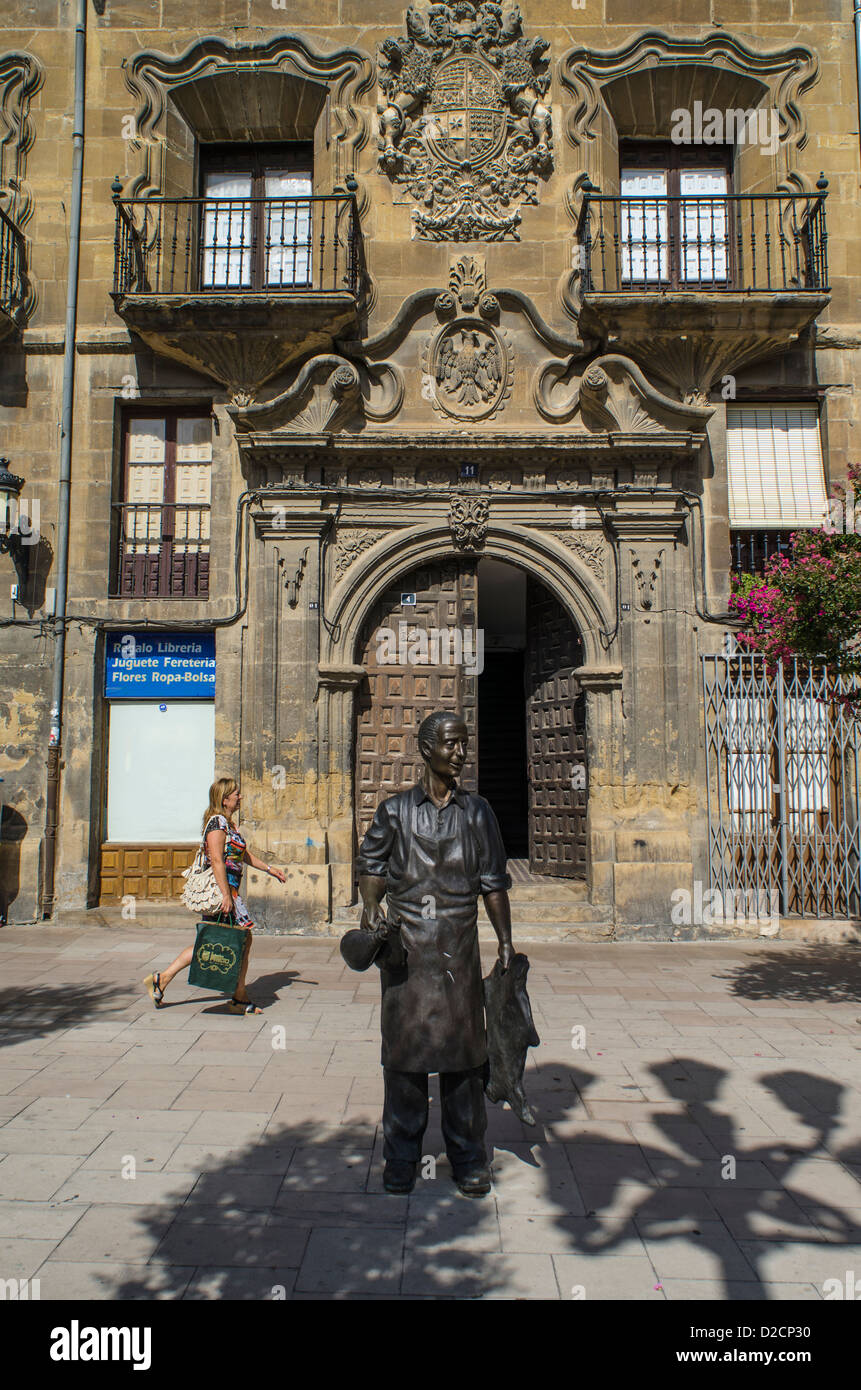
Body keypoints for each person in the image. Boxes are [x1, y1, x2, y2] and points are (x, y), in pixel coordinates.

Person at [356, 710, 515, 1197]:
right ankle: (401, 1156)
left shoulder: (478, 812)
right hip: (407, 953)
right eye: (451, 744)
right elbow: (371, 863)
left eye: (464, 743)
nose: (461, 753)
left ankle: (468, 1156)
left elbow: (493, 881)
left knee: (465, 1059)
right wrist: (369, 905)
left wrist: (506, 940)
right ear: (426, 749)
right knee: (404, 1059)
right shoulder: (395, 811)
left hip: (458, 950)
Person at [143, 776, 286, 1015]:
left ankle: (163, 979)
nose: (240, 797)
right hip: (223, 892)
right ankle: (238, 998)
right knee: (233, 939)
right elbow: (217, 859)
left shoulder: (228, 824)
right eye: (236, 794)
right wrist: (225, 896)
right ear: (225, 798)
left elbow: (243, 855)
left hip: (230, 890)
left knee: (224, 940)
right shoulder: (216, 823)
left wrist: (270, 870)